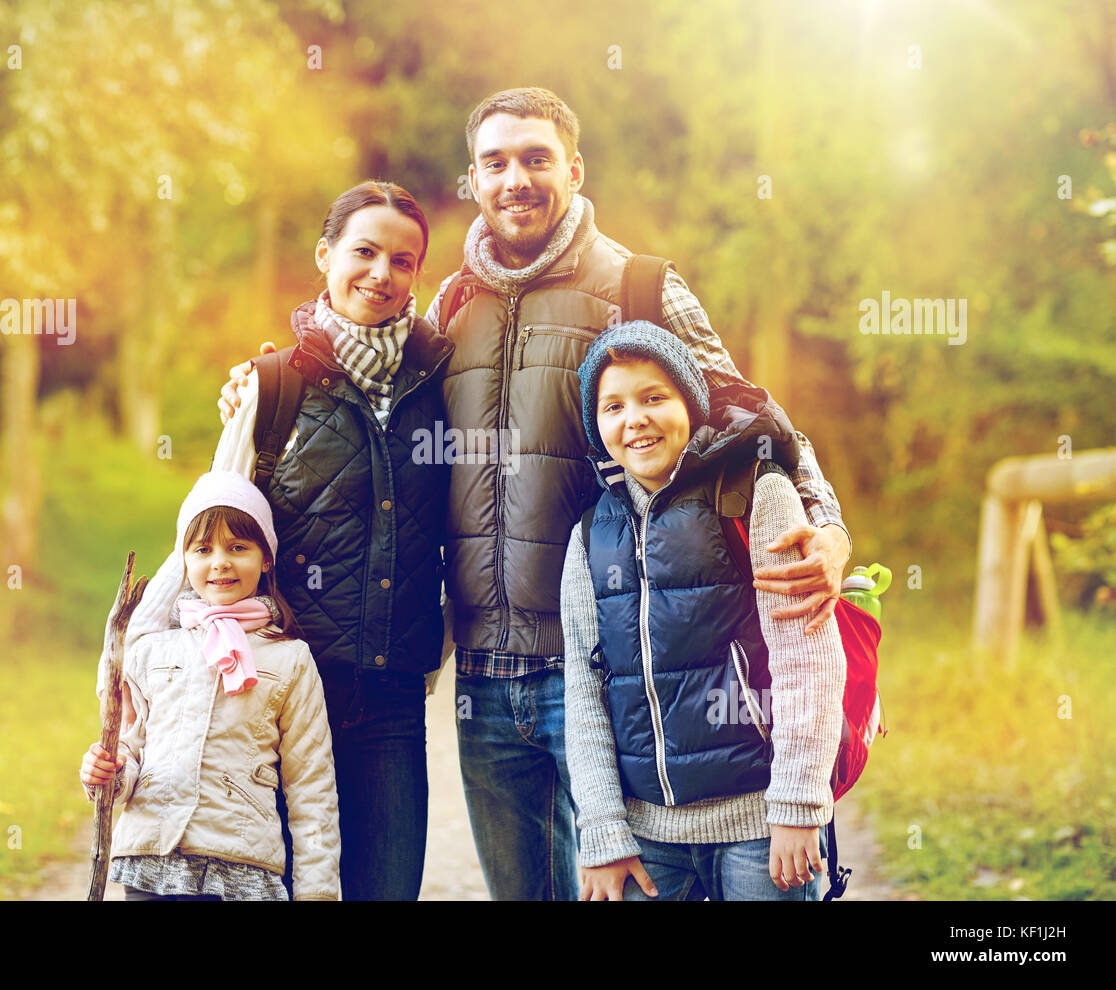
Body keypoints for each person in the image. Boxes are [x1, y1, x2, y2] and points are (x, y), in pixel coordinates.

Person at [220, 89, 851, 900]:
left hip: (606, 673)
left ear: (573, 170)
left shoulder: (639, 287)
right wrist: (258, 382)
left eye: (536, 159)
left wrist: (827, 528)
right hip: (485, 679)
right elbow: (354, 378)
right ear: (472, 181)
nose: (516, 178)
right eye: (496, 162)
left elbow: (760, 421)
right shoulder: (447, 307)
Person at [117, 180, 453, 900]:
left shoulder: (443, 381)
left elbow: (455, 529)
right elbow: (208, 534)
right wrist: (134, 668)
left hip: (389, 701)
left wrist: (435, 647)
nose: (381, 274)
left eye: (403, 261)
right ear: (325, 256)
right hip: (276, 695)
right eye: (363, 252)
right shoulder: (272, 390)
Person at [561, 322, 846, 901]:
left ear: (690, 405)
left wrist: (796, 804)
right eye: (613, 405)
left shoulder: (754, 495)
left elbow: (807, 658)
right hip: (647, 843)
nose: (634, 418)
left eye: (654, 398)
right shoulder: (589, 534)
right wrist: (601, 832)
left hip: (761, 827)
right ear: (598, 426)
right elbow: (584, 689)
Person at [81, 470, 340, 901]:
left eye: (238, 547)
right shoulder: (151, 651)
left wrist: (318, 895)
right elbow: (130, 749)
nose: (220, 561)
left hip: (242, 872)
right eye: (203, 549)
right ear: (184, 560)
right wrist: (106, 773)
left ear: (266, 558)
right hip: (149, 865)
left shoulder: (290, 659)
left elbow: (312, 788)